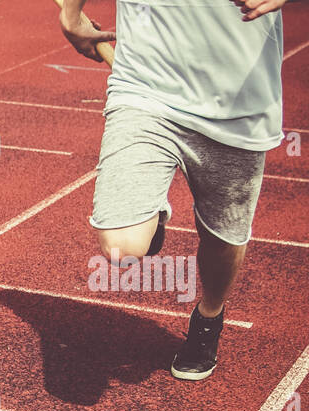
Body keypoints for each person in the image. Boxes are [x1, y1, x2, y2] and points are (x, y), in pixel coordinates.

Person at [60, 0, 288, 380]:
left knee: (223, 238)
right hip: (144, 93)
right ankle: (149, 209)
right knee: (121, 246)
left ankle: (209, 317)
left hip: (239, 109)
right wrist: (70, 14)